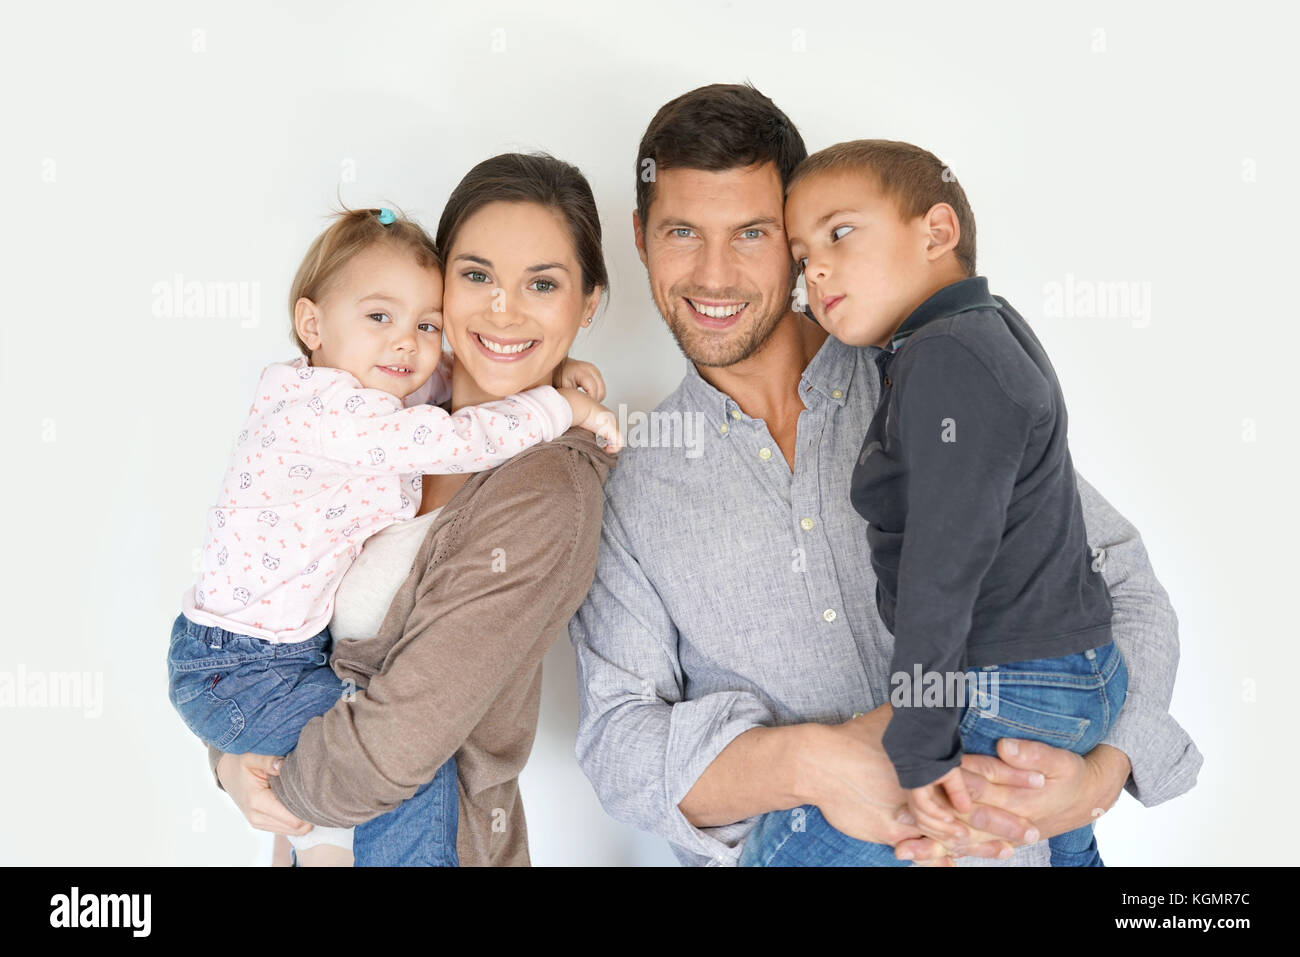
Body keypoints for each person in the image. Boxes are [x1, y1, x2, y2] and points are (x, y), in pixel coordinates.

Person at [569, 82, 1201, 867]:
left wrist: (1098, 778)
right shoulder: (629, 486)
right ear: (639, 237)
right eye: (682, 232)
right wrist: (819, 762)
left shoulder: (935, 381)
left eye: (754, 232)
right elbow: (617, 742)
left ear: (795, 238)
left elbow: (1122, 584)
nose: (715, 273)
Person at [168, 204, 620, 865]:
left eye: (542, 284)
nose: (406, 343)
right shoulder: (355, 418)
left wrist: (254, 773)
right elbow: (460, 429)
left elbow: (395, 746)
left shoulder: (544, 492)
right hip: (247, 671)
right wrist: (558, 401)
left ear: (586, 304)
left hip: (258, 690)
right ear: (311, 323)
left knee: (416, 772)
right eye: (477, 277)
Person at [739, 139, 1128, 867]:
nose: (814, 268)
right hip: (1080, 674)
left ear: (937, 231)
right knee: (1057, 848)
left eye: (840, 232)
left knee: (784, 851)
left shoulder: (946, 356)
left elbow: (943, 566)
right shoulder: (989, 331)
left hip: (1011, 682)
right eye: (801, 257)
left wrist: (920, 742)